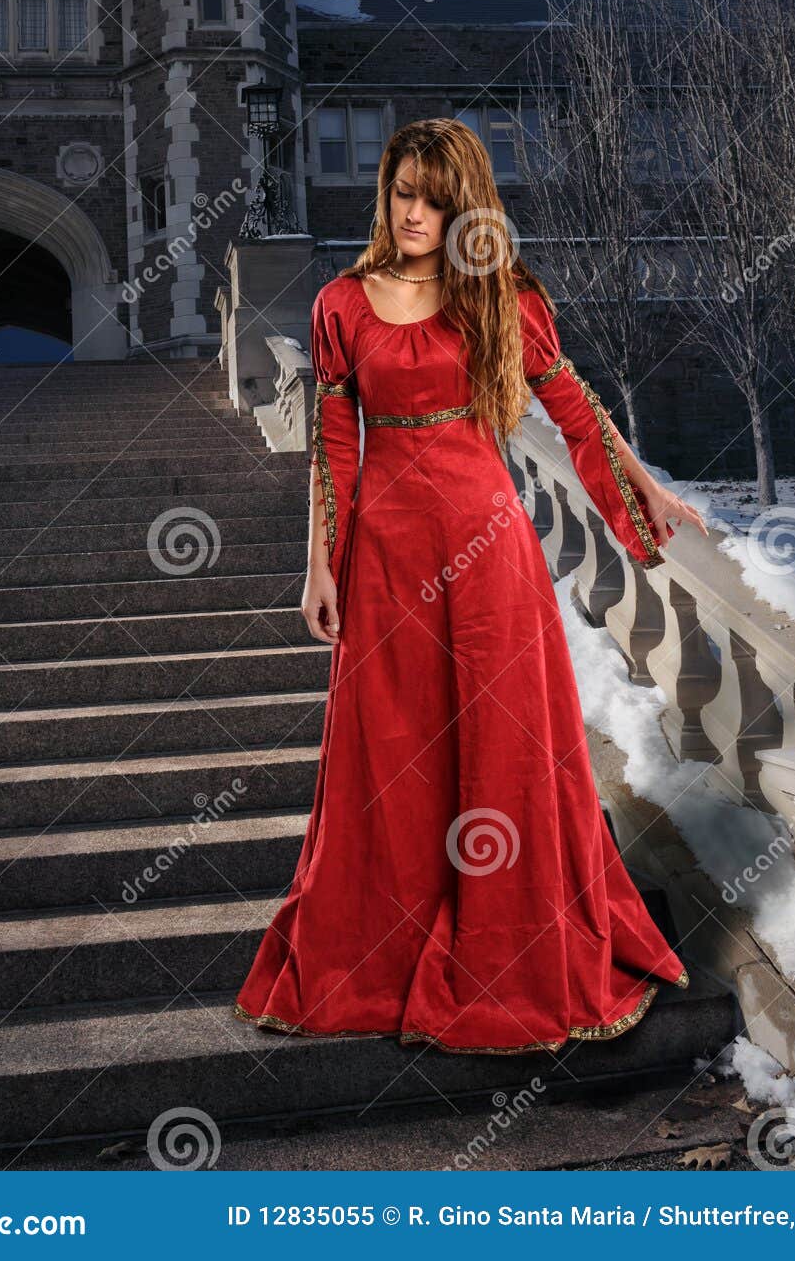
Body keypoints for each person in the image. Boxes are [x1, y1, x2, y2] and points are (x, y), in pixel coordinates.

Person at [234, 118, 706, 1054]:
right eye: (404, 193)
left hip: (488, 549)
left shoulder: (503, 298)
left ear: (466, 206)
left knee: (504, 747)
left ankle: (509, 957)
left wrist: (641, 490)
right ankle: (383, 954)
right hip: (385, 556)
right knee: (394, 753)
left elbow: (572, 410)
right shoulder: (340, 303)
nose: (415, 214)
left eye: (436, 200)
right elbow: (333, 450)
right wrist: (319, 564)